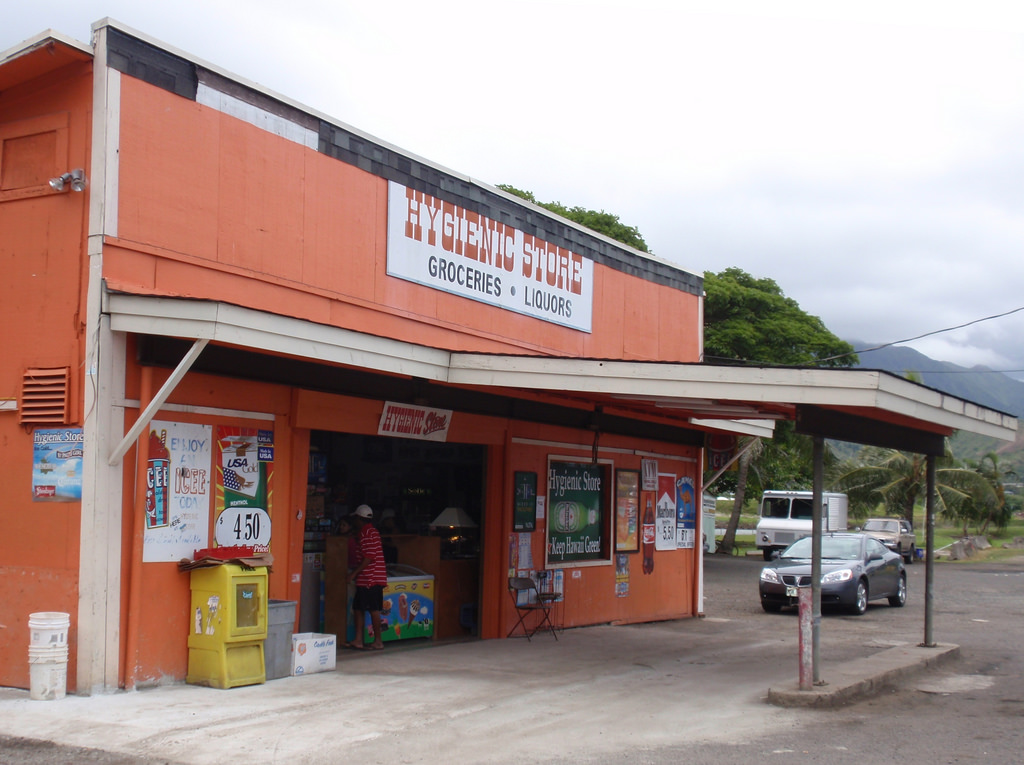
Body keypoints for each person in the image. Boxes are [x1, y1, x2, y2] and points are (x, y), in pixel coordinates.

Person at [345, 504, 387, 650]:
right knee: (358, 608)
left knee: (372, 609)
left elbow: (368, 557)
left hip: (370, 579)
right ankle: (358, 640)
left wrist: (353, 574)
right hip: (371, 578)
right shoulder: (372, 531)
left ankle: (378, 641)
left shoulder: (366, 533)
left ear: (359, 518)